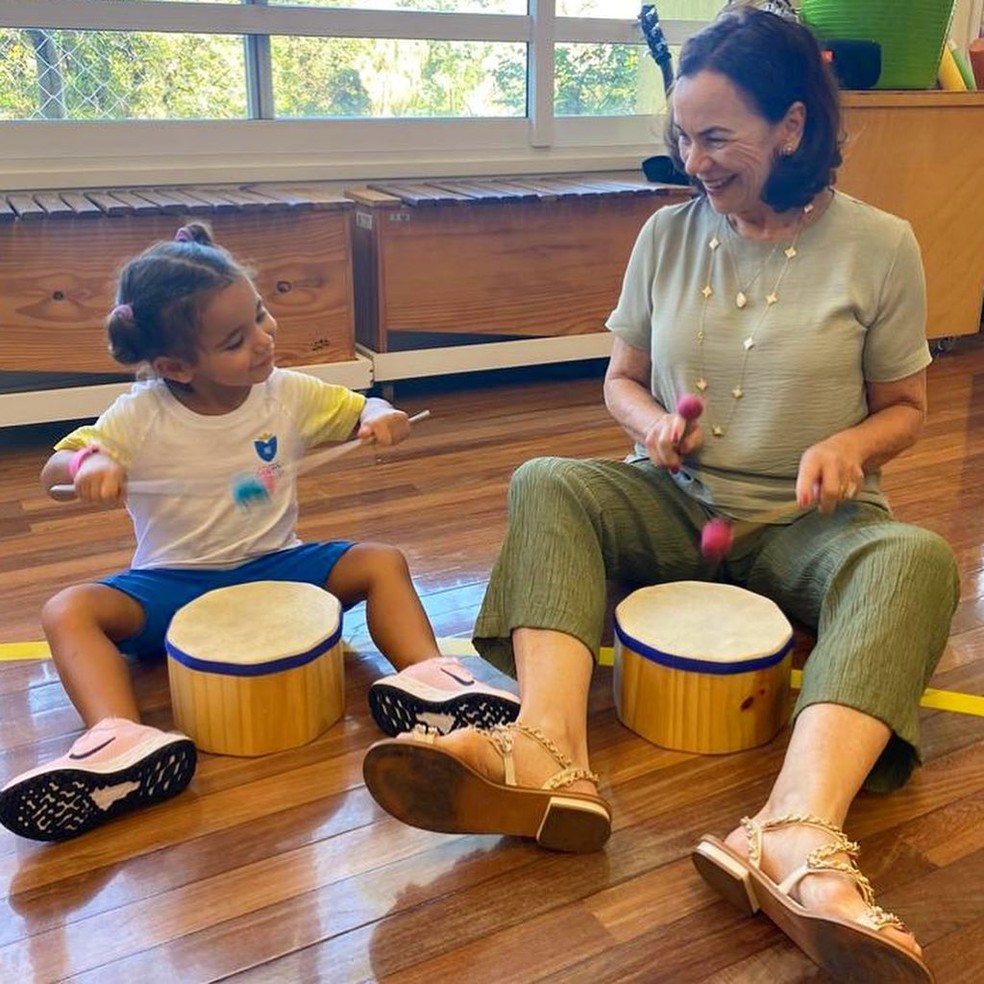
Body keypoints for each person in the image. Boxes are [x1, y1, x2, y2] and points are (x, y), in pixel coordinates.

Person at [362, 7, 958, 981]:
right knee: (547, 480)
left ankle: (792, 833)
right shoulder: (664, 235)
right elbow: (621, 379)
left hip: (809, 525)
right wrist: (648, 427)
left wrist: (851, 444)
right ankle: (545, 752)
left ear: (793, 127)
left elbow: (906, 408)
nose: (694, 161)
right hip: (676, 500)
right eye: (683, 136)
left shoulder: (882, 245)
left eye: (716, 137)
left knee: (917, 559)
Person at [0, 222, 517, 844]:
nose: (264, 339)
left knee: (381, 560)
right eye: (235, 340)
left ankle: (429, 681)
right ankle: (119, 737)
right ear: (175, 366)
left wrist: (382, 415)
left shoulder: (285, 393)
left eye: (261, 315)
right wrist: (90, 465)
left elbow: (362, 407)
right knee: (67, 610)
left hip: (279, 569)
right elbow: (55, 468)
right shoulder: (138, 416)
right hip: (173, 584)